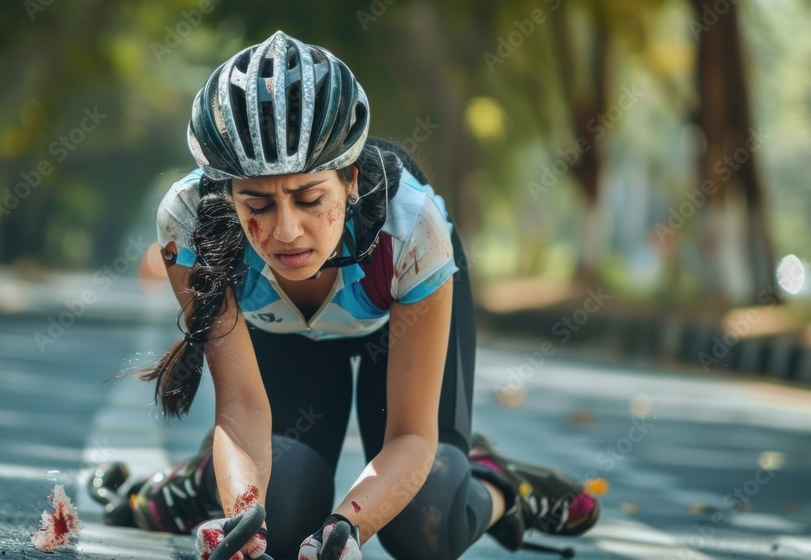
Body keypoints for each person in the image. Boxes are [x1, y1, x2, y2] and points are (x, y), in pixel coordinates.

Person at [90, 31, 601, 559]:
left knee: (422, 526)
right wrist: (245, 510)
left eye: (310, 198)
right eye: (257, 206)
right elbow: (241, 403)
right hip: (289, 340)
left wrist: (346, 528)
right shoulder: (190, 222)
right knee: (282, 519)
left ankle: (496, 482)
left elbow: (410, 437)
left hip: (393, 327)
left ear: (350, 180)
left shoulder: (413, 228)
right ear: (227, 195)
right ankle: (200, 483)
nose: (287, 231)